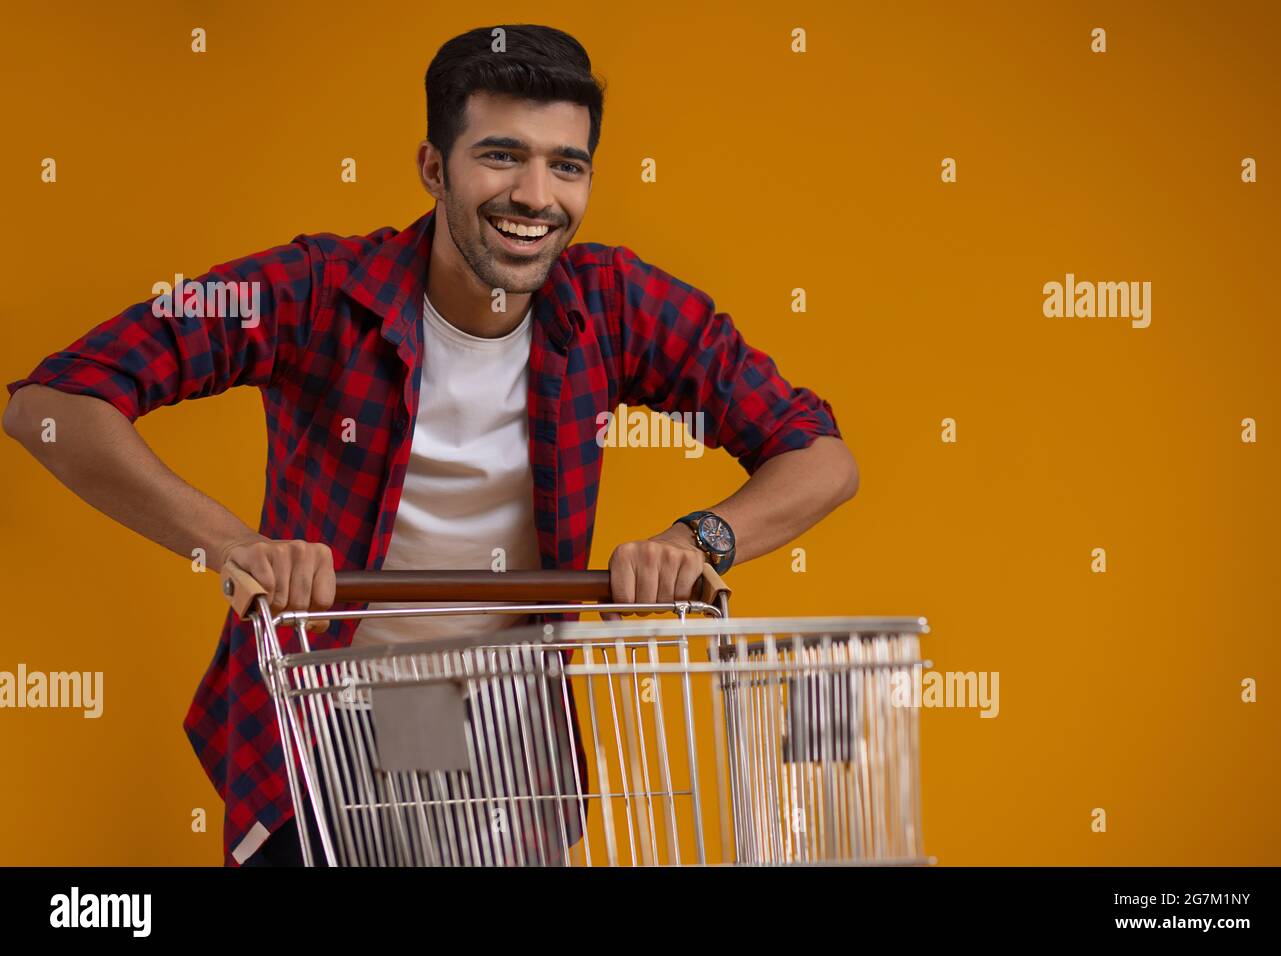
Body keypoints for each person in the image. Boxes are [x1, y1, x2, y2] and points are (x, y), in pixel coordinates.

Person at [3, 23, 857, 866]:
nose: (535, 195)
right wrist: (238, 547)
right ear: (431, 169)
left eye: (567, 165)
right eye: (500, 155)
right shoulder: (318, 292)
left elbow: (821, 455)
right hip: (328, 720)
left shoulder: (614, 304)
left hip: (508, 737)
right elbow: (52, 404)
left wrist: (697, 538)